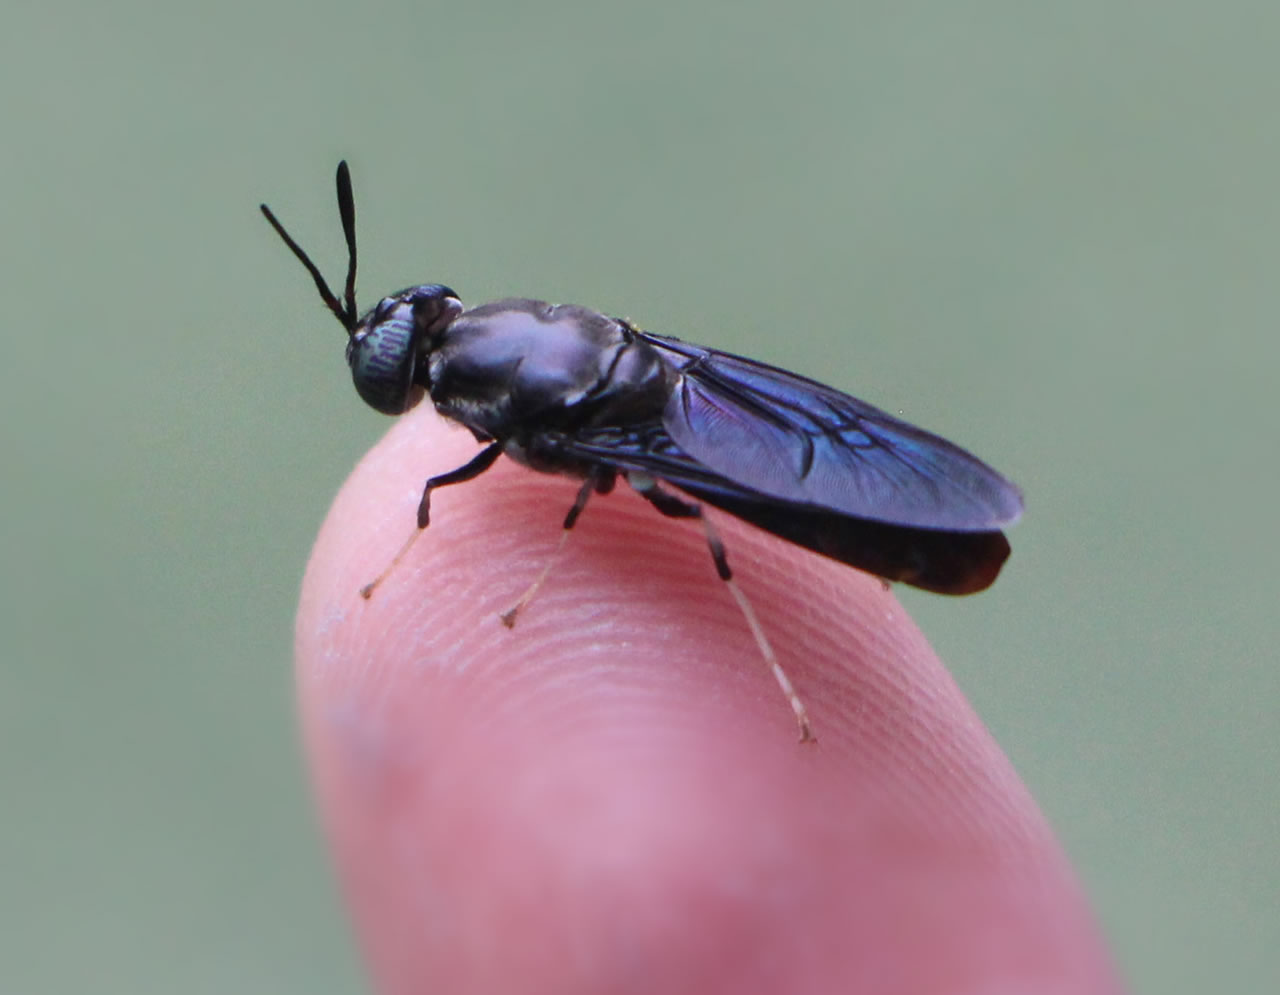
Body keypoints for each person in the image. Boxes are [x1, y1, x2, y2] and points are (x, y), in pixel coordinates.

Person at [294, 407, 1121, 994]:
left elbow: (584, 492)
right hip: (662, 381)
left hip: (647, 416)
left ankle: (807, 632)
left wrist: (534, 589)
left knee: (713, 520)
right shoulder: (522, 370)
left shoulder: (529, 414)